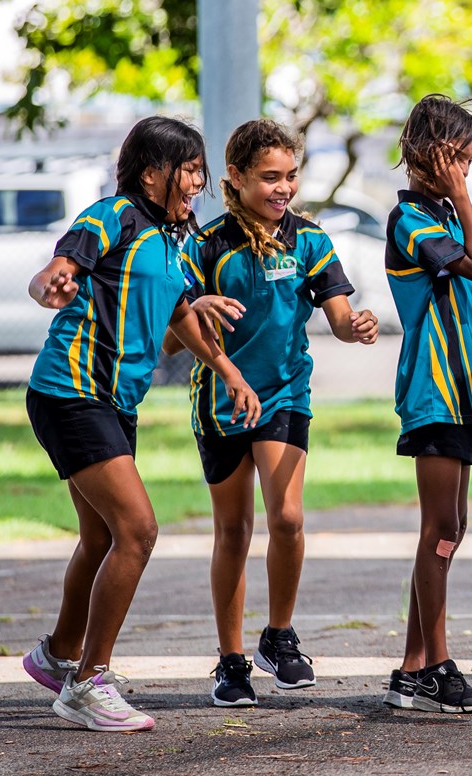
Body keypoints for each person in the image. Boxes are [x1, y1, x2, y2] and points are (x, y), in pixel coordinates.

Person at [22, 116, 261, 732]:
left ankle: (57, 655)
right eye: (190, 169)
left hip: (109, 402)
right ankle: (86, 683)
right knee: (139, 530)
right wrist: (55, 276)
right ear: (153, 170)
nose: (199, 182)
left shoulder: (169, 239)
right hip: (73, 391)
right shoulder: (117, 214)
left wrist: (228, 371)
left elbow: (181, 314)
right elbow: (68, 255)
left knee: (102, 537)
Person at [162, 119, 379, 707]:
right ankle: (231, 662)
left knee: (286, 518)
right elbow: (168, 341)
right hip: (222, 401)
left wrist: (355, 326)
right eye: (269, 177)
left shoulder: (310, 241)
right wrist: (197, 308)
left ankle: (279, 637)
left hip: (285, 395)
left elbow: (337, 316)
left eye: (291, 175)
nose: (283, 187)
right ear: (235, 177)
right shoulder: (204, 246)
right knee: (233, 531)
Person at [381, 94, 472, 714]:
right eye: (458, 159)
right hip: (431, 393)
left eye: (469, 162)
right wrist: (462, 195)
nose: (465, 170)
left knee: (450, 531)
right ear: (428, 157)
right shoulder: (411, 220)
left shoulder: (447, 217)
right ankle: (437, 664)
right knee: (438, 533)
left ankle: (411, 669)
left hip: (463, 398)